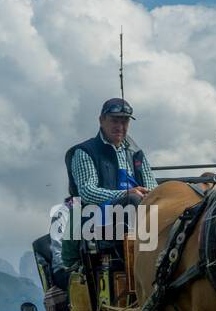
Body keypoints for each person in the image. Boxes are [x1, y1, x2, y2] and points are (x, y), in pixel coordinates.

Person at [60, 97, 158, 271]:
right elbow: (87, 192)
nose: (120, 126)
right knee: (133, 201)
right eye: (114, 120)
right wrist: (126, 194)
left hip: (136, 213)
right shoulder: (84, 152)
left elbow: (152, 187)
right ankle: (140, 267)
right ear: (101, 120)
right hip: (98, 216)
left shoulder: (137, 154)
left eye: (124, 121)